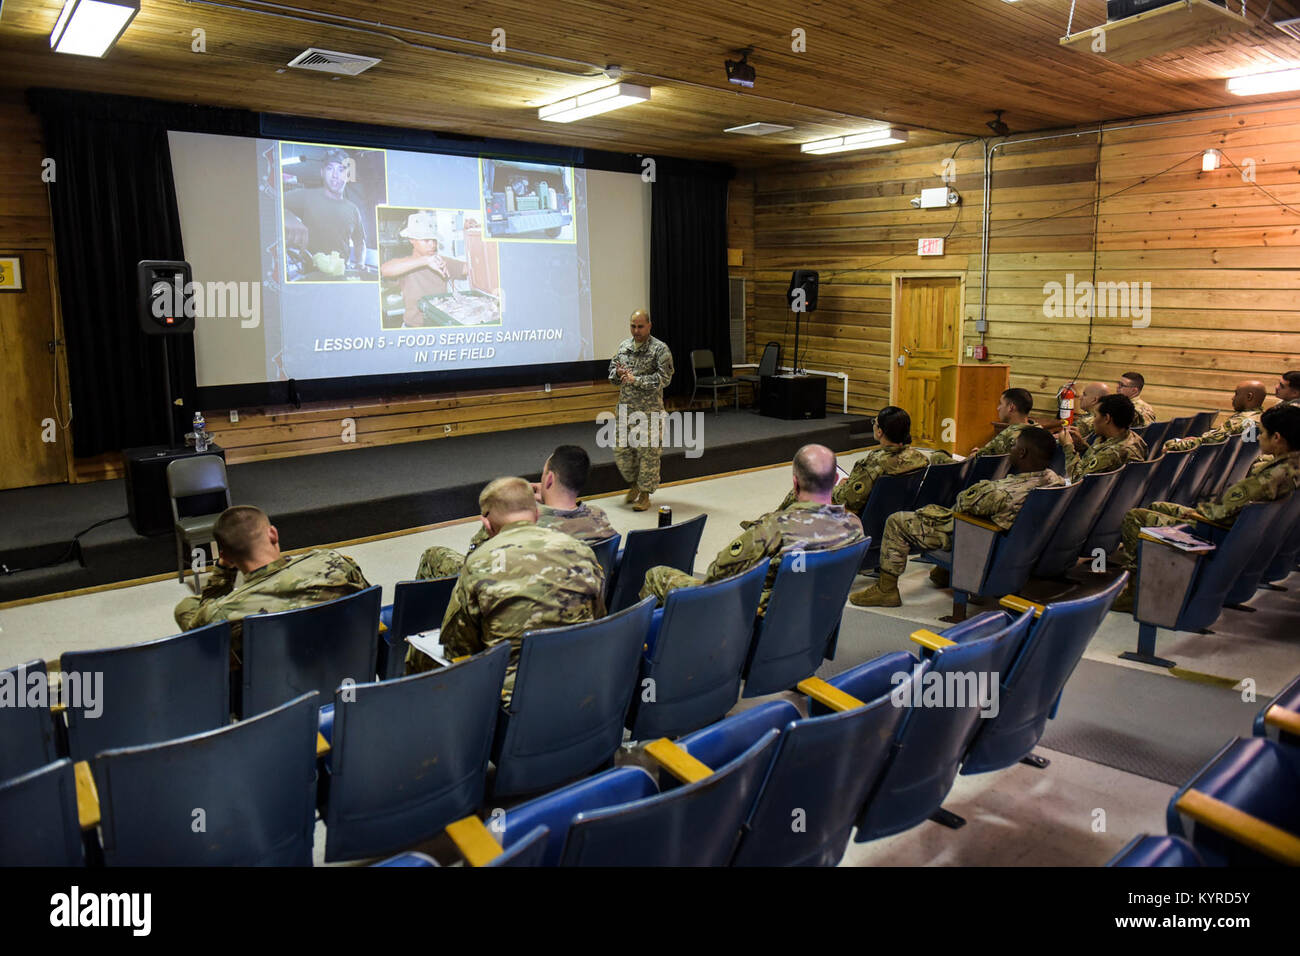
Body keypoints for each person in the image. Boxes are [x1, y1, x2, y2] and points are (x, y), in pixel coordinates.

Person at [404, 477, 606, 703]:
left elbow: (458, 648)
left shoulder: (479, 563)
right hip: (582, 688)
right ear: (537, 515)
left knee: (417, 654)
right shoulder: (581, 551)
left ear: (487, 525)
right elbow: (598, 618)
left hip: (512, 703)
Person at [1112, 404, 1300, 610]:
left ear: (1277, 438)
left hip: (1213, 533)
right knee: (1158, 505)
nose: (1258, 438)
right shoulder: (1292, 468)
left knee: (1135, 517)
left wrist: (1196, 513)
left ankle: (1135, 594)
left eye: (1263, 433)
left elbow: (1219, 513)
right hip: (1234, 531)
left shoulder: (1270, 476)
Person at [850, 427, 1065, 608]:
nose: (1011, 448)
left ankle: (886, 590)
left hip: (974, 542)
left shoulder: (1000, 493)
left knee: (897, 521)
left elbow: (963, 503)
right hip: (1004, 543)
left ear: (1023, 453)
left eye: (1015, 445)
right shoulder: (1054, 480)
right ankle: (943, 573)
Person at [640, 444, 863, 615]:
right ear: (836, 480)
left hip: (750, 621)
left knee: (657, 575)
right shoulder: (854, 527)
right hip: (806, 620)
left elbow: (716, 575)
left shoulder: (773, 529)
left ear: (795, 484)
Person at [173, 505, 370, 667]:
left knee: (186, 608)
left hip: (273, 688)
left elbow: (203, 629)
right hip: (345, 666)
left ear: (226, 556)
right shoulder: (334, 561)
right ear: (273, 534)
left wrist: (223, 571)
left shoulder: (221, 613)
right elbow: (367, 601)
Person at [414, 445, 617, 578]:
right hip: (566, 604)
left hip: (501, 589)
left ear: (549, 479)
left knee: (433, 555)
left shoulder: (523, 526)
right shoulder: (599, 517)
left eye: (545, 472)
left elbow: (474, 565)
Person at [774, 406, 952, 515]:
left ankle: (770, 527)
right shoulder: (920, 458)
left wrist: (841, 486)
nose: (873, 425)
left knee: (802, 490)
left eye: (875, 422)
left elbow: (850, 501)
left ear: (880, 431)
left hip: (859, 516)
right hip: (892, 512)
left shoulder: (872, 465)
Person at [608, 309, 674, 511]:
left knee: (648, 454)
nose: (636, 330)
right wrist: (618, 374)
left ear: (649, 326)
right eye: (633, 326)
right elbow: (612, 375)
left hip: (649, 411)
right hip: (625, 409)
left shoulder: (659, 350)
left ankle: (645, 495)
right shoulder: (624, 347)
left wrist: (638, 380)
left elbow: (665, 378)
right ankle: (634, 484)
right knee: (622, 451)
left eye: (640, 326)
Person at [379, 211, 469, 327]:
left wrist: (471, 234)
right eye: (426, 240)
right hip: (413, 328)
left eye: (434, 240)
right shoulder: (406, 265)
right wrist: (426, 260)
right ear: (412, 240)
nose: (432, 245)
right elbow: (384, 270)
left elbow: (470, 268)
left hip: (438, 324)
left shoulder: (441, 261)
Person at [283, 148, 367, 267]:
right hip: (310, 273)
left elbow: (360, 242)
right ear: (322, 173)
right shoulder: (306, 196)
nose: (334, 175)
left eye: (340, 170)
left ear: (347, 176)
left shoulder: (353, 210)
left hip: (342, 274)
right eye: (330, 168)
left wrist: (360, 263)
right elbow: (270, 199)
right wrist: (285, 215)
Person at [1059, 394, 1147, 481]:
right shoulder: (1134, 438)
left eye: (1095, 416)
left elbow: (1077, 480)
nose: (1093, 421)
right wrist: (1081, 446)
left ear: (1106, 419)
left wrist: (1068, 447)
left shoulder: (1112, 454)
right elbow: (1097, 460)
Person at [1163, 380, 1267, 453]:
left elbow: (1206, 442)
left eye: (1236, 394)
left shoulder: (1242, 421)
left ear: (1249, 396)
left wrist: (1173, 444)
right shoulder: (1264, 419)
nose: (1232, 398)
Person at [971, 388, 1037, 457]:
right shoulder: (1040, 430)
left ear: (1011, 407)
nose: (998, 408)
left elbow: (975, 458)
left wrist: (976, 453)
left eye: (1000, 404)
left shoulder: (1007, 435)